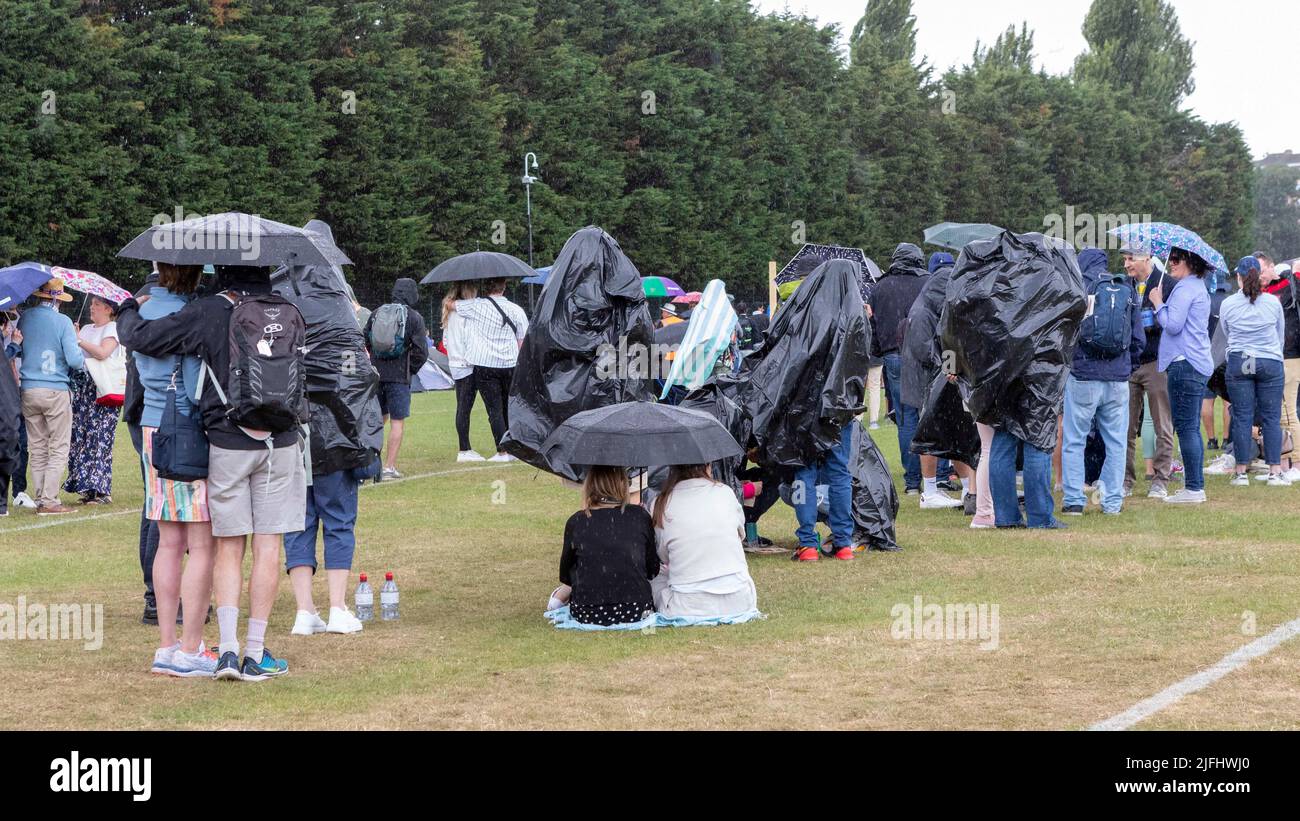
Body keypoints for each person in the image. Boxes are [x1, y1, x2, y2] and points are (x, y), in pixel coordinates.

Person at [117, 264, 308, 682]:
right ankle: (255, 651)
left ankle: (227, 649)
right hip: (281, 439)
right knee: (269, 545)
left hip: (225, 440)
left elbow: (145, 339)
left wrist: (128, 308)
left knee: (226, 546)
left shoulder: (209, 310)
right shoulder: (289, 309)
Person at [132, 263, 217, 676]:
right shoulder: (190, 313)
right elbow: (196, 385)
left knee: (168, 542)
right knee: (201, 544)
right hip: (187, 431)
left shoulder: (145, 309)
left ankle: (166, 645)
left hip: (152, 426)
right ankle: (190, 647)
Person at [1060, 249, 1144, 515]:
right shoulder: (1125, 288)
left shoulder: (1078, 287)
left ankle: (1074, 500)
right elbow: (1138, 339)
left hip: (1083, 375)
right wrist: (1127, 366)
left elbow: (1065, 333)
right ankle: (1112, 502)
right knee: (1116, 443)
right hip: (1118, 378)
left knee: (1075, 439)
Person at [550, 465, 660, 626]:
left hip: (587, 612)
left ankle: (558, 598)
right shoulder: (640, 516)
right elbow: (652, 570)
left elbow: (566, 575)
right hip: (637, 611)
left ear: (589, 485)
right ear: (623, 484)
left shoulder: (577, 521)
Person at [649, 463, 758, 619]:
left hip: (685, 607)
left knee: (655, 574)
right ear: (708, 465)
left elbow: (663, 555)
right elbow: (740, 533)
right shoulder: (725, 492)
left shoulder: (661, 503)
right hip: (741, 600)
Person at [1149, 247, 1214, 504]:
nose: (1171, 264)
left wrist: (1157, 303)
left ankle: (1194, 489)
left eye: (1175, 259)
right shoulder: (1197, 286)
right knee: (1191, 428)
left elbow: (1173, 325)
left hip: (1184, 363)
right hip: (1195, 363)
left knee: (1186, 428)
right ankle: (1195, 486)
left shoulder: (1185, 288)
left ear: (1189, 261)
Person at [16, 278, 84, 515]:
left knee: (37, 446)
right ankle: (49, 500)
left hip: (28, 387)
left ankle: (39, 497)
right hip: (55, 388)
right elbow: (75, 360)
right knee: (58, 446)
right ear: (58, 299)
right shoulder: (63, 321)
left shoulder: (25, 318)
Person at [1221, 257, 1289, 486]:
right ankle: (1274, 471)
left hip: (1240, 360)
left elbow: (1227, 332)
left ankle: (1241, 472)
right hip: (1269, 360)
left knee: (1242, 416)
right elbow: (1280, 335)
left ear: (1238, 277)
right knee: (1271, 418)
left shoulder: (1228, 304)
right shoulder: (1272, 302)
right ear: (1260, 275)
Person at [868, 243, 929, 494]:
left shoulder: (880, 287)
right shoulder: (927, 283)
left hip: (893, 355)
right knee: (929, 414)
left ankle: (913, 481)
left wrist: (878, 351)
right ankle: (936, 477)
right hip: (924, 354)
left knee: (905, 418)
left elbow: (872, 325)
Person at [123, 274, 164, 623]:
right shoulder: (157, 300)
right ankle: (156, 594)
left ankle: (155, 592)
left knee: (153, 502)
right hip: (156, 411)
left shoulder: (141, 300)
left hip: (140, 410)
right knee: (161, 507)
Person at [451, 277, 528, 461]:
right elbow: (522, 341)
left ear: (486, 288)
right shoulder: (516, 309)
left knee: (494, 409)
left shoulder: (477, 306)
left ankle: (502, 450)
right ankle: (512, 448)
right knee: (508, 407)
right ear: (504, 287)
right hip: (510, 364)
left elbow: (451, 305)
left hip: (485, 365)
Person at [1123, 249, 1176, 498]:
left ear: (1146, 258)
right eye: (1124, 259)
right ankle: (1125, 480)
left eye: (1131, 259)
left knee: (1162, 424)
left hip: (1157, 361)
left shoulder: (1167, 284)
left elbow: (1175, 324)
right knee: (1124, 427)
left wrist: (1158, 306)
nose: (1126, 264)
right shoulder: (1124, 285)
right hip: (1129, 363)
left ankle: (1161, 479)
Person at [363, 278, 428, 479]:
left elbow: (365, 339)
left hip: (376, 374)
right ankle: (389, 467)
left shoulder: (376, 312)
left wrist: (376, 360)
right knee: (397, 421)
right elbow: (421, 351)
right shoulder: (414, 317)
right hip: (399, 377)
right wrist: (410, 369)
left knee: (375, 420)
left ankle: (367, 465)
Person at [63, 295, 121, 505]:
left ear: (108, 309)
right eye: (92, 304)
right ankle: (86, 487)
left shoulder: (112, 328)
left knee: (99, 437)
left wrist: (78, 339)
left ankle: (101, 489)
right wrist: (73, 337)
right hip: (83, 389)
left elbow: (103, 353)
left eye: (97, 304)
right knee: (81, 436)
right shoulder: (86, 328)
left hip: (102, 389)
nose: (92, 307)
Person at [1259, 254, 1300, 481]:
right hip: (1274, 355)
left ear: (1271, 266)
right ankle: (1283, 465)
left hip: (1290, 355)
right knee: (1279, 414)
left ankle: (1297, 465)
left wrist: (1296, 274)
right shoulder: (1264, 291)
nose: (1260, 276)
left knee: (1289, 412)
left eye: (1262, 270)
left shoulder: (1289, 283)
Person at [790, 421, 857, 561]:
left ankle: (808, 544)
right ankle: (843, 545)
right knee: (840, 473)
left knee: (803, 472)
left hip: (804, 415)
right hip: (839, 414)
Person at [442, 281, 483, 461]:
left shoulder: (449, 313)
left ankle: (465, 448)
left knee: (462, 406)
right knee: (464, 408)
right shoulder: (465, 313)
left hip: (455, 363)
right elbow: (469, 339)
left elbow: (445, 341)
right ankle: (464, 449)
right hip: (467, 364)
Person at [1202, 272, 1231, 453]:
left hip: (1206, 355)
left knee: (1207, 400)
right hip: (1225, 355)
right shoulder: (1228, 302)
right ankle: (1227, 439)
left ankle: (1211, 440)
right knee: (1228, 400)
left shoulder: (1203, 301)